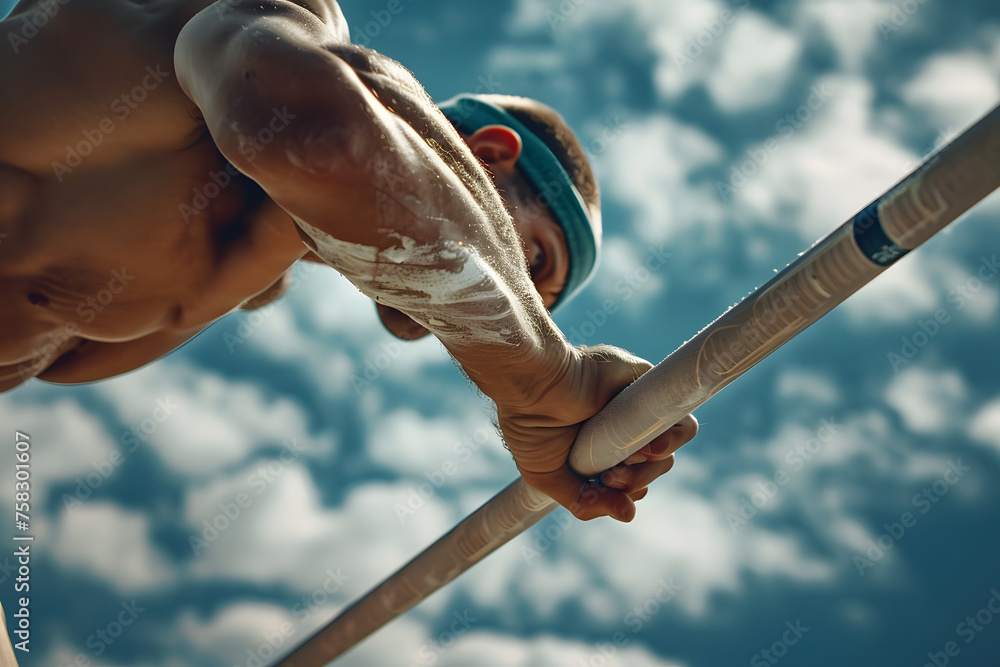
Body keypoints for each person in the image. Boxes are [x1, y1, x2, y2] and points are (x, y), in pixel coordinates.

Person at [0, 0, 697, 522]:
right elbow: (320, 143)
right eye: (533, 264)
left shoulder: (237, 283)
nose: (513, 295)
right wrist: (544, 380)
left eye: (532, 307)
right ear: (485, 155)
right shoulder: (264, 18)